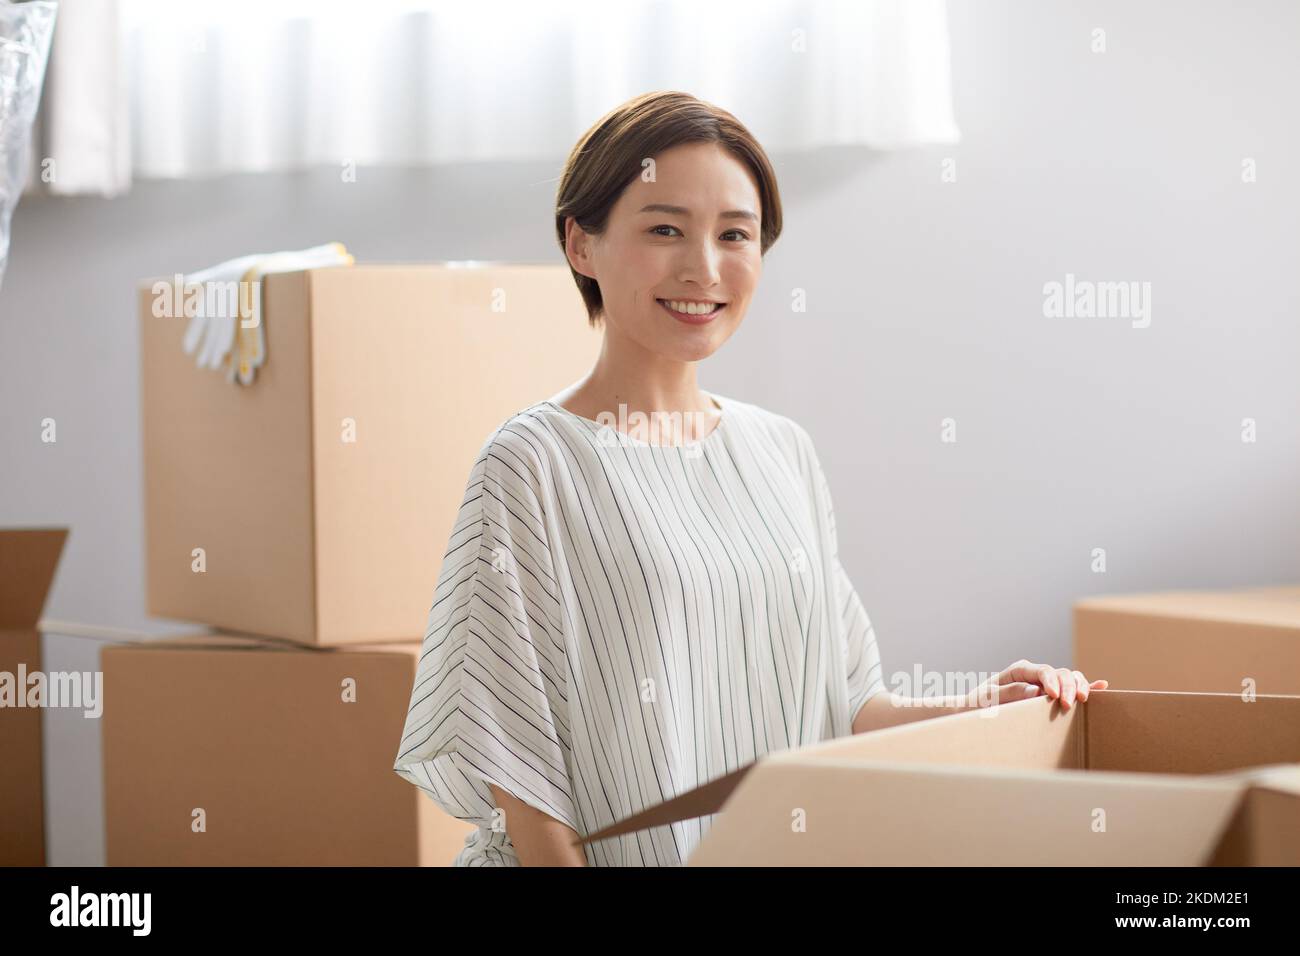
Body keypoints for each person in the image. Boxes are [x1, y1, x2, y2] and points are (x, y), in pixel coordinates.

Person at [393, 90, 1107, 866]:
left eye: (735, 234)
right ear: (581, 245)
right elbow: (521, 776)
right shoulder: (530, 463)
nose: (704, 268)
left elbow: (847, 705)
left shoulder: (782, 451)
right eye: (664, 228)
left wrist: (984, 707)